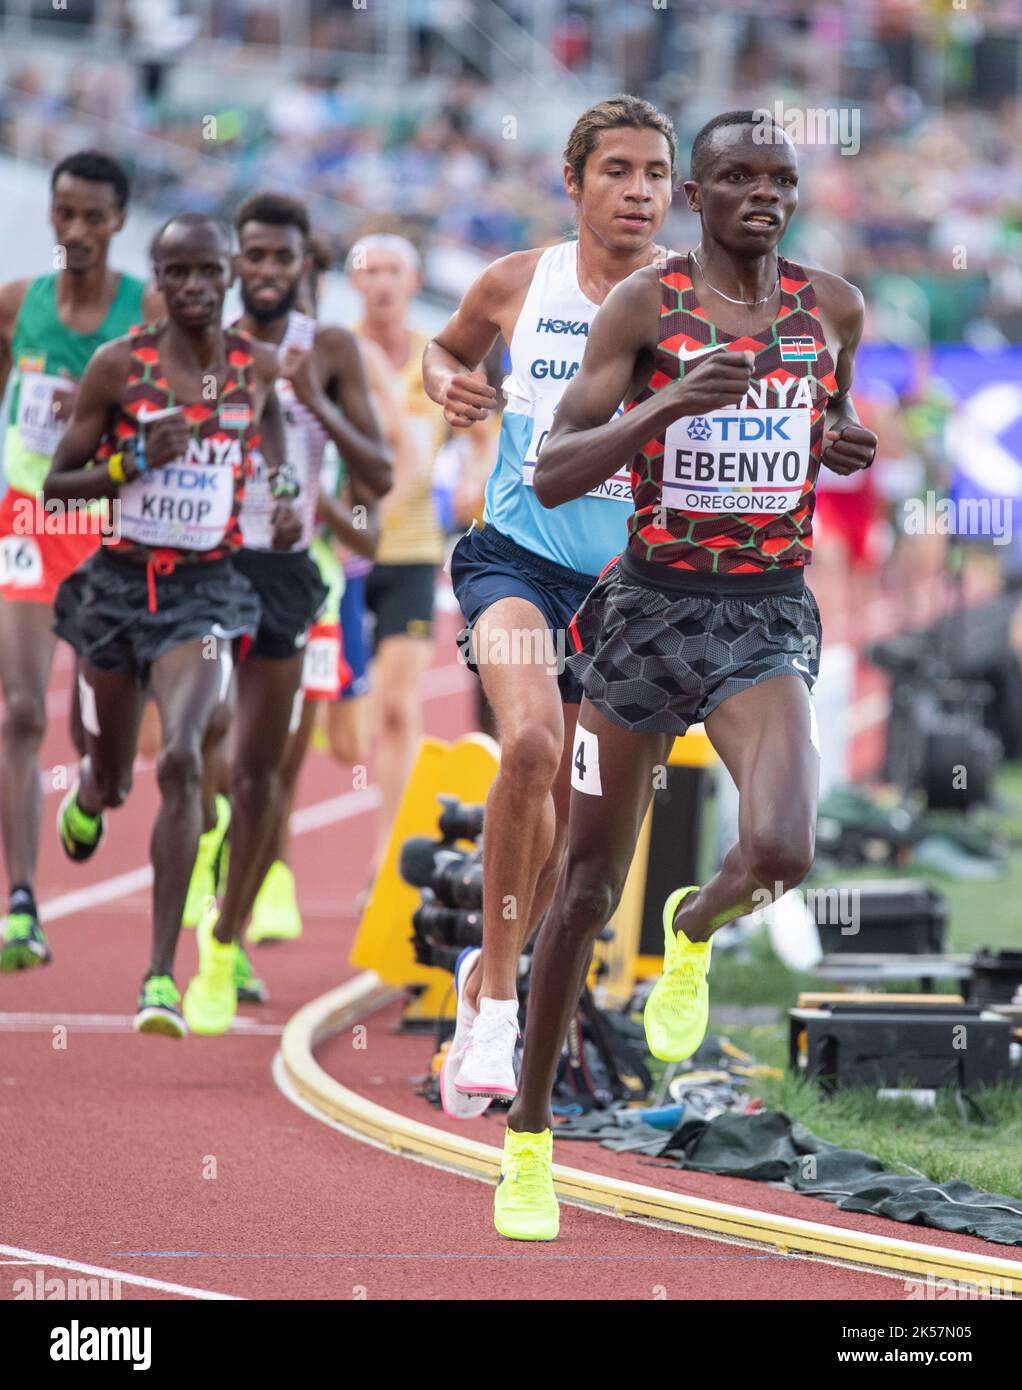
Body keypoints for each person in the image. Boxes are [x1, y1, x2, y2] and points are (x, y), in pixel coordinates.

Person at [496, 110, 878, 1239]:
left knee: (782, 847)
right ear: (695, 195)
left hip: (760, 616)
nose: (760, 194)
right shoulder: (642, 308)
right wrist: (664, 402)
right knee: (577, 889)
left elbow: (831, 420)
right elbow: (552, 469)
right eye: (733, 177)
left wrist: (841, 437)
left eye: (779, 178)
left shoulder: (832, 308)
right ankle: (527, 1139)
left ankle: (695, 928)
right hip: (648, 615)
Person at [421, 96, 675, 1119]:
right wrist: (449, 382)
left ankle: (500, 960)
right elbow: (445, 349)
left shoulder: (689, 304)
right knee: (525, 744)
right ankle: (490, 998)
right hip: (515, 564)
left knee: (581, 854)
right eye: (615, 170)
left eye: (655, 173)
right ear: (571, 182)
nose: (637, 191)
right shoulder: (517, 284)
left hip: (629, 597)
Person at [43, 212, 290, 1037]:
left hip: (206, 594)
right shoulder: (120, 366)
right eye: (176, 272)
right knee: (116, 777)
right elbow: (59, 484)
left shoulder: (253, 367)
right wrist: (131, 461)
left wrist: (284, 497)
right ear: (158, 277)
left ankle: (158, 977)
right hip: (117, 587)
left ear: (228, 278)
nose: (192, 287)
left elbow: (277, 432)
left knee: (185, 757)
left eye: (206, 273)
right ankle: (90, 790)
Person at [181, 194, 391, 1034]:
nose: (267, 272)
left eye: (284, 259)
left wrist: (316, 400)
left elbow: (375, 481)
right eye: (254, 256)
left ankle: (225, 933)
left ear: (306, 266)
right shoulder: (195, 339)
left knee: (262, 768)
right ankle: (201, 873)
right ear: (235, 263)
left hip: (296, 578)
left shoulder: (328, 349)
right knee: (195, 749)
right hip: (199, 569)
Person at [0, 150, 162, 972]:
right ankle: (21, 902)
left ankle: (92, 798)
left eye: (93, 216)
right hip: (30, 517)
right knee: (22, 709)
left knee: (107, 753)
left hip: (110, 527)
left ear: (119, 221)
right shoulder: (15, 306)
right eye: (64, 212)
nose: (75, 229)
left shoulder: (149, 311)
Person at [347, 234, 447, 893]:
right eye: (370, 271)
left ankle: (391, 854)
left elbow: (484, 423)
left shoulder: (437, 355)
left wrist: (479, 479)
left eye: (393, 270)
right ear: (355, 282)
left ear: (413, 281)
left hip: (412, 547)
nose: (382, 282)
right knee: (344, 735)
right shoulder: (335, 351)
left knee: (397, 705)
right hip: (343, 553)